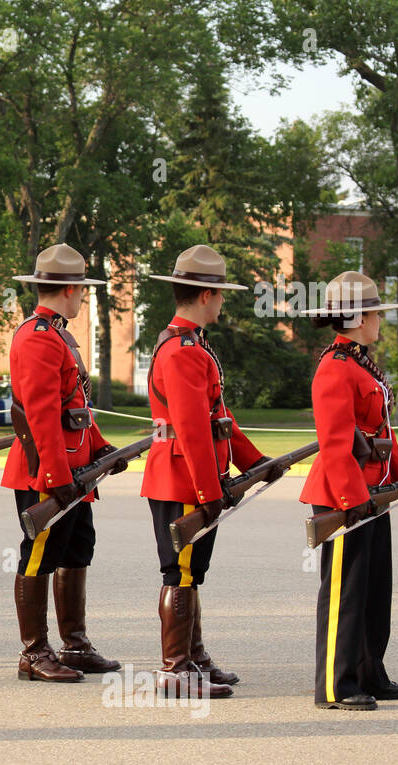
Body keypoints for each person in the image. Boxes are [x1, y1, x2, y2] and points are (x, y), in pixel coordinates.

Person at [142, 245, 280, 698]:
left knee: (192, 572)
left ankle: (194, 658)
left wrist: (254, 462)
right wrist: (208, 489)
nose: (223, 300)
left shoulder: (192, 345)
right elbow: (194, 429)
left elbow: (219, 418)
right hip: (183, 477)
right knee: (178, 572)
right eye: (220, 293)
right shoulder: (182, 350)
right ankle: (175, 668)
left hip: (192, 476)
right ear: (205, 295)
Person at [301, 272, 398, 711]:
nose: (379, 322)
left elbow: (380, 432)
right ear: (358, 317)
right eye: (375, 314)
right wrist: (355, 501)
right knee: (344, 593)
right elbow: (336, 444)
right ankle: (336, 684)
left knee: (374, 588)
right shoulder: (335, 368)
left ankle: (370, 670)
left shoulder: (359, 363)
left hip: (373, 493)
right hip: (344, 495)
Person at [4, 244, 123, 681]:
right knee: (38, 556)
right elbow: (39, 415)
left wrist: (101, 446)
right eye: (82, 291)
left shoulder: (59, 335)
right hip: (47, 470)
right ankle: (34, 654)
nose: (82, 299)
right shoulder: (37, 336)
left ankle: (74, 644)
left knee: (76, 551)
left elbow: (77, 407)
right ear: (70, 288)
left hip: (74, 468)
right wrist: (55, 476)